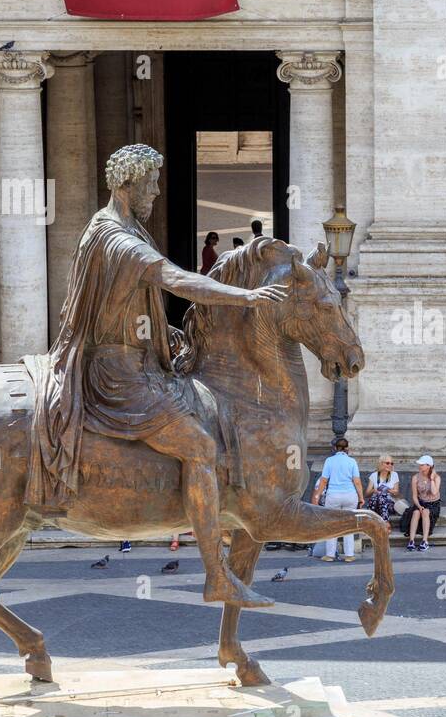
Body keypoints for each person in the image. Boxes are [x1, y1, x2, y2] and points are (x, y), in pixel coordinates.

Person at [22, 144, 289, 608]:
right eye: (151, 183)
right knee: (202, 445)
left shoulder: (122, 227)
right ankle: (215, 576)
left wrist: (162, 334)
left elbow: (119, 307)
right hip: (118, 373)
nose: (157, 191)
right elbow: (178, 280)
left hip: (136, 358)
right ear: (130, 183)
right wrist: (246, 299)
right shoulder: (117, 239)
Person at [311, 437, 362, 562]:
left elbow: (324, 480)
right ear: (347, 448)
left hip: (333, 495)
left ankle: (330, 555)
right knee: (348, 525)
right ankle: (349, 555)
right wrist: (361, 497)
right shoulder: (352, 461)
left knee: (332, 525)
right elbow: (357, 481)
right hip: (350, 495)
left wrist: (317, 496)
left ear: (335, 448)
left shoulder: (329, 460)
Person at [406, 455, 441, 551]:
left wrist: (432, 479)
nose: (420, 466)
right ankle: (411, 541)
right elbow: (414, 496)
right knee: (416, 512)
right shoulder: (415, 478)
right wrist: (418, 506)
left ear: (429, 466)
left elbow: (434, 492)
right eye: (420, 464)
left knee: (425, 512)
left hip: (433, 504)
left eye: (422, 464)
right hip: (421, 502)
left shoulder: (437, 478)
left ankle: (425, 541)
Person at [364, 455, 400, 524]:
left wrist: (389, 490)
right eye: (387, 463)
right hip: (375, 504)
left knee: (381, 496)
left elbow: (397, 494)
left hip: (389, 505)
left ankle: (383, 523)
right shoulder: (374, 475)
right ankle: (386, 523)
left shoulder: (394, 475)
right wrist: (374, 490)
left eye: (392, 463)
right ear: (381, 463)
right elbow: (366, 494)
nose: (390, 465)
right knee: (378, 496)